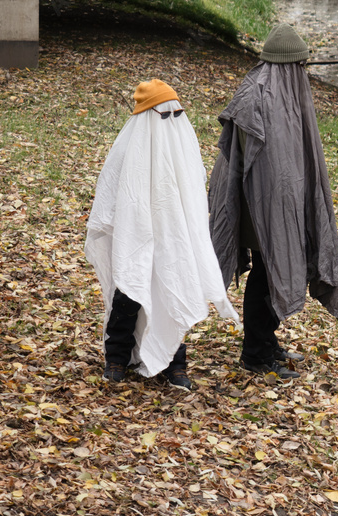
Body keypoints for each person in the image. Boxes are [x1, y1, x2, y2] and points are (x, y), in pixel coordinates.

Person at [209, 24, 338, 379]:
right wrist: (269, 205)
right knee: (267, 271)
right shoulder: (258, 95)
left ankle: (266, 341)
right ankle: (255, 354)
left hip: (274, 203)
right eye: (300, 66)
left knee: (275, 267)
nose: (303, 73)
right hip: (255, 207)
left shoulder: (281, 90)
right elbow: (245, 157)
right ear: (288, 64)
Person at [85, 79, 240, 389]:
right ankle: (117, 357)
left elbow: (193, 194)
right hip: (136, 232)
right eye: (164, 114)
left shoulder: (182, 144)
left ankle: (174, 361)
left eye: (177, 112)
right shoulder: (130, 145)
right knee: (129, 291)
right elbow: (115, 189)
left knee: (173, 287)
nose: (173, 120)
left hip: (172, 237)